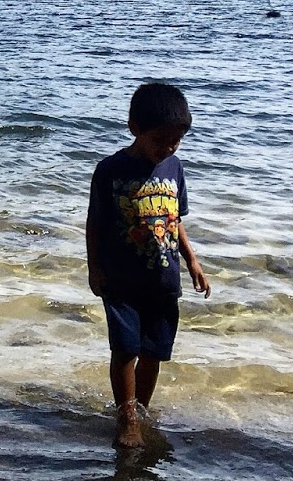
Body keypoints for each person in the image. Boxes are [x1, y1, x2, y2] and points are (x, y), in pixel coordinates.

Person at [86, 81, 211, 449]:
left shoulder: (175, 168)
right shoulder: (110, 170)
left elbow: (177, 219)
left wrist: (192, 261)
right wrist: (94, 268)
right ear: (134, 127)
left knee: (155, 351)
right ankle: (127, 417)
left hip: (163, 278)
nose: (169, 147)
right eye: (161, 140)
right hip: (122, 278)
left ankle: (140, 409)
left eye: (176, 140)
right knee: (125, 348)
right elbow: (94, 222)